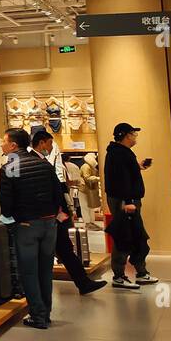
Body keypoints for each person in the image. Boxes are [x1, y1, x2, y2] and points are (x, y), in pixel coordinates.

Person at [0, 128, 61, 329]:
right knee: (45, 270)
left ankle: (38, 315)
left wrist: (10, 220)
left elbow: (6, 200)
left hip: (27, 225)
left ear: (13, 145)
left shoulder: (11, 165)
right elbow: (57, 192)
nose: (1, 145)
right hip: (49, 223)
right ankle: (46, 312)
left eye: (4, 141)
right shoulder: (43, 162)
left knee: (29, 272)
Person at [31, 130, 106, 297]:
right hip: (47, 216)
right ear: (42, 143)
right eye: (50, 144)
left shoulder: (43, 160)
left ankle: (83, 283)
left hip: (54, 214)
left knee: (65, 249)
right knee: (58, 251)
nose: (51, 148)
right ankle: (79, 283)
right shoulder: (34, 161)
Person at [104, 123, 155, 288]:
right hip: (125, 202)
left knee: (137, 235)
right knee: (124, 236)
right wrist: (128, 201)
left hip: (127, 200)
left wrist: (137, 166)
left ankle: (141, 272)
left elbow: (124, 175)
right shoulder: (120, 155)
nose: (135, 137)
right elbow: (121, 180)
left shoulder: (120, 153)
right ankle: (119, 275)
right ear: (126, 135)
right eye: (133, 134)